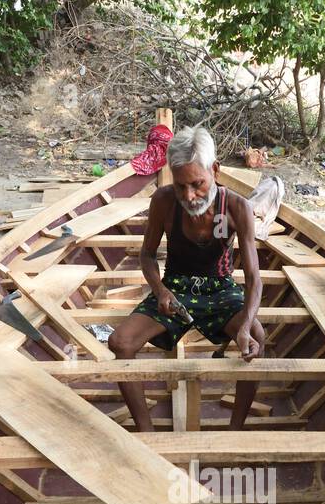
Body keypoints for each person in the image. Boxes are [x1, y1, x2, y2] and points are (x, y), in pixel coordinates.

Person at [108, 125, 264, 431]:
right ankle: (146, 431)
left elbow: (254, 279)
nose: (189, 196)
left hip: (220, 288)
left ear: (215, 170)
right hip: (175, 287)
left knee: (258, 338)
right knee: (120, 343)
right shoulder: (164, 201)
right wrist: (161, 291)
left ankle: (235, 430)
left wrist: (245, 326)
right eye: (181, 186)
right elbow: (148, 255)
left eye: (198, 184)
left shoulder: (236, 207)